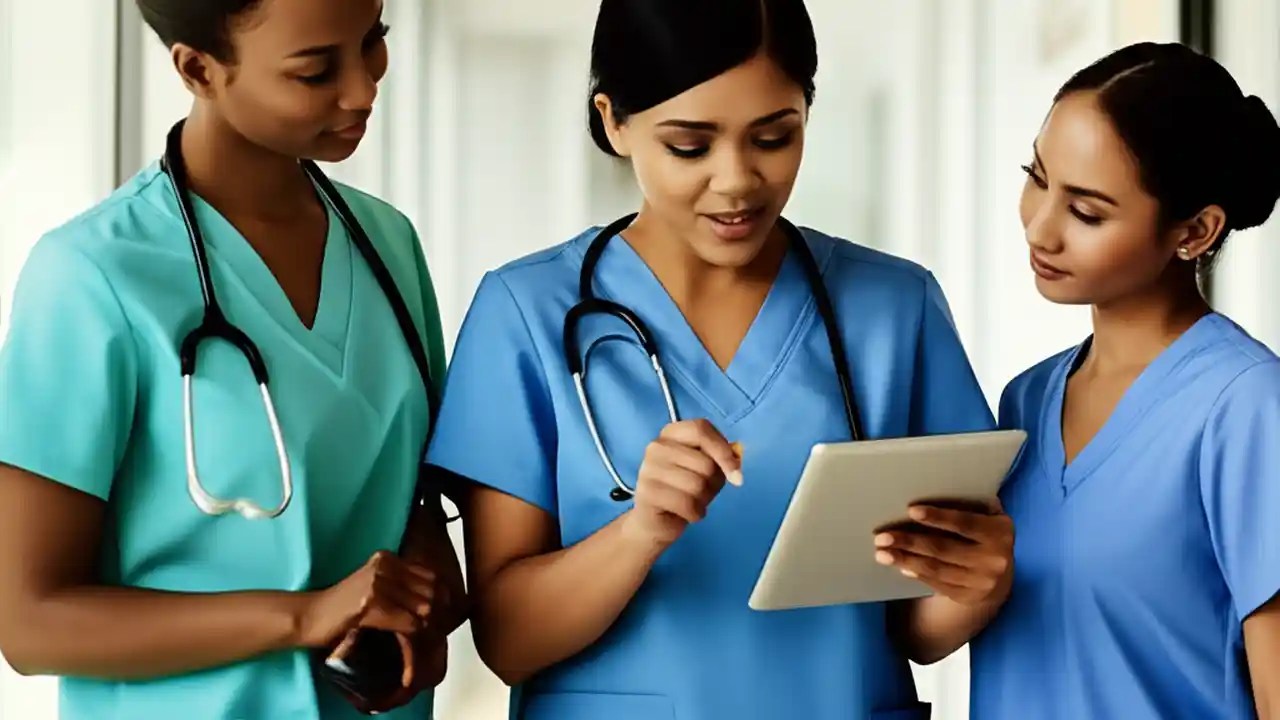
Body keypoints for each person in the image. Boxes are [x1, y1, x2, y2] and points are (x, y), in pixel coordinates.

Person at [426, 1, 1014, 718]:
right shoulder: (525, 311)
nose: (737, 180)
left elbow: (914, 632)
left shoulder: (896, 309)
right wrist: (640, 531)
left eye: (773, 137)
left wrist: (976, 586)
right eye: (689, 146)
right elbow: (507, 641)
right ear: (614, 122)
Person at [0, 1, 465, 718]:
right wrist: (304, 617)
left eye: (373, 41)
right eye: (315, 71)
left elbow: (412, 504)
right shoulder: (91, 275)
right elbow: (29, 624)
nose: (363, 88)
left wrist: (425, 607)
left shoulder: (388, 246)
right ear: (198, 70)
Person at [969, 42, 1280, 719]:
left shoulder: (1248, 408)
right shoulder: (1024, 401)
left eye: (1086, 211)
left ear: (1195, 231)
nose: (1040, 229)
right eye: (1037, 177)